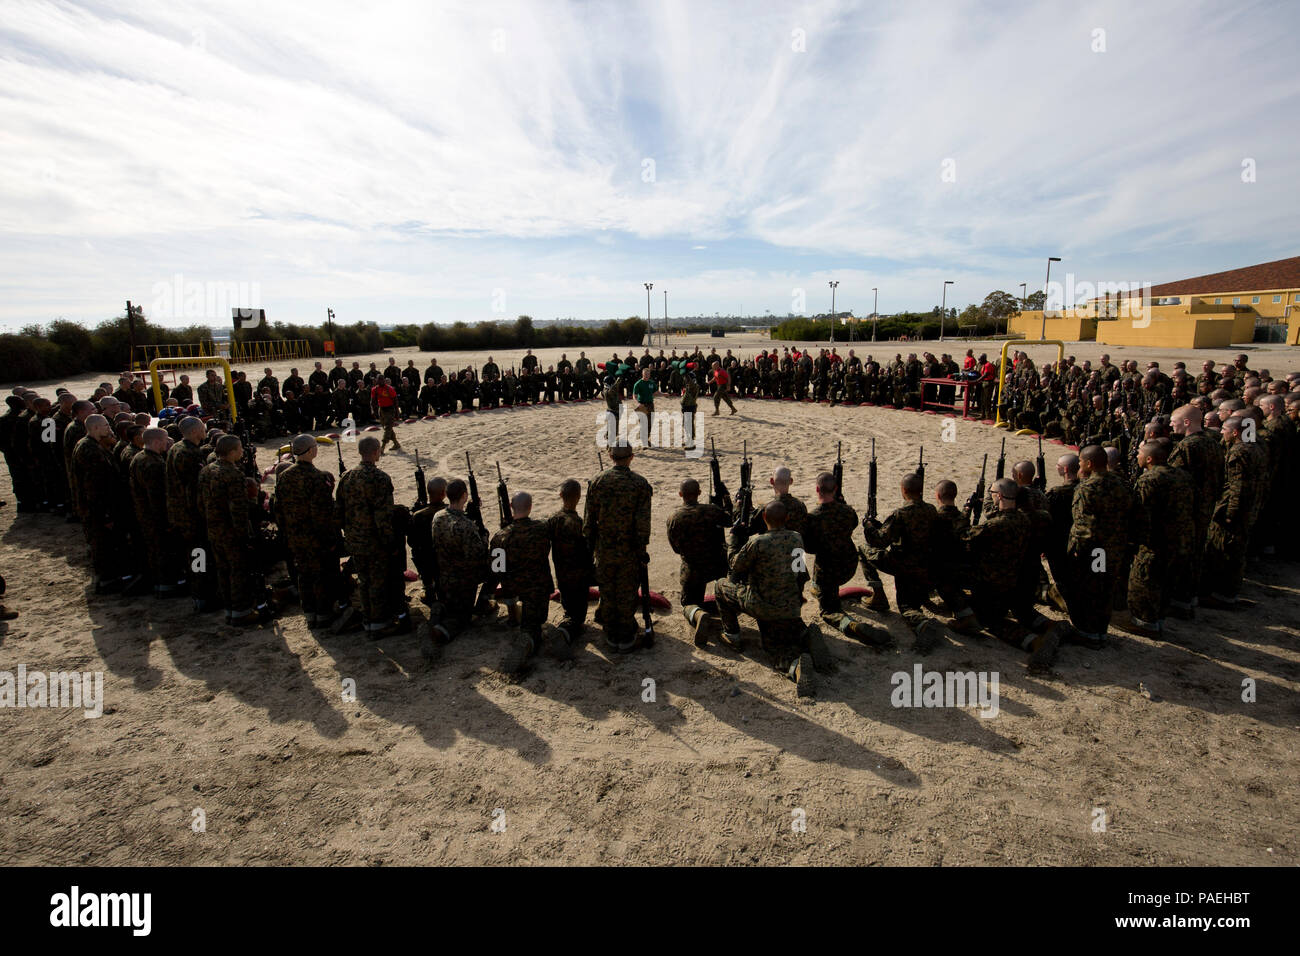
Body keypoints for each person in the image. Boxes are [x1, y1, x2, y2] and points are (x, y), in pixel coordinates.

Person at [716, 500, 818, 697]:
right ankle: (803, 634)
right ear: (787, 518)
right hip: (790, 605)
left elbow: (734, 566)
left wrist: (735, 539)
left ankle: (733, 635)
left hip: (763, 606)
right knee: (784, 629)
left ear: (764, 518)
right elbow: (799, 572)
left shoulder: (757, 543)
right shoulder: (797, 538)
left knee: (720, 586)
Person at [803, 470, 890, 645]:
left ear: (817, 490)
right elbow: (853, 523)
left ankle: (851, 626)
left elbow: (810, 548)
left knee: (828, 611)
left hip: (828, 573)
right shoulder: (848, 511)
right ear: (835, 489)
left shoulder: (812, 517)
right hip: (848, 566)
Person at [584, 441, 653, 652]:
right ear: (631, 457)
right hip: (630, 549)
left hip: (604, 548)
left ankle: (610, 629)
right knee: (626, 591)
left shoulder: (597, 482)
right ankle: (625, 633)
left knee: (607, 588)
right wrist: (641, 550)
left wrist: (590, 550)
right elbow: (643, 524)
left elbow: (589, 523)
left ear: (611, 457)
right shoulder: (640, 484)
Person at [1066, 445, 1135, 646]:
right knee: (1106, 589)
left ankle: (1089, 633)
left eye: (1080, 461)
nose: (1079, 465)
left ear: (1088, 464)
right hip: (1114, 548)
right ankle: (1100, 631)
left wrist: (1077, 551)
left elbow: (1083, 525)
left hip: (1095, 550)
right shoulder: (1121, 483)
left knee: (1090, 590)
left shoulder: (1088, 488)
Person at [199, 434, 269, 626]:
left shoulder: (207, 471)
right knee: (238, 571)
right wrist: (244, 534)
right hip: (230, 531)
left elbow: (202, 501)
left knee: (223, 570)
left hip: (214, 528)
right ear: (231, 452)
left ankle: (230, 609)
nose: (242, 452)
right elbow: (238, 509)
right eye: (239, 449)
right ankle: (241, 612)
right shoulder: (232, 474)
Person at [276, 434, 345, 627]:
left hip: (295, 537)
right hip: (316, 538)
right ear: (311, 451)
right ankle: (323, 613)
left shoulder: (284, 476)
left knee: (304, 575)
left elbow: (278, 510)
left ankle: (309, 613)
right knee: (322, 575)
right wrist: (330, 539)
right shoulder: (317, 477)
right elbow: (322, 514)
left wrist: (288, 533)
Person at [335, 436, 400, 636]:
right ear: (375, 452)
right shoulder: (379, 478)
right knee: (377, 582)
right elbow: (383, 516)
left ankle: (368, 620)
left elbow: (339, 509)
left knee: (364, 581)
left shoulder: (347, 476)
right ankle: (379, 623)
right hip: (374, 541)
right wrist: (390, 542)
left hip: (355, 539)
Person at [1201, 417, 1268, 609]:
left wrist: (1230, 513)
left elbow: (1237, 487)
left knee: (1225, 552)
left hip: (1236, 511)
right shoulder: (1257, 447)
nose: (1222, 433)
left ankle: (1221, 595)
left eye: (1224, 429)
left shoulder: (1239, 452)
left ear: (1236, 432)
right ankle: (1229, 594)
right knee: (1237, 552)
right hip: (1251, 509)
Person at [423, 478, 490, 659]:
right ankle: (443, 629)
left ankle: (437, 612)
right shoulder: (466, 526)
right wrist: (483, 533)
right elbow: (479, 554)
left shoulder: (438, 517)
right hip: (464, 581)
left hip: (444, 577)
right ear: (464, 496)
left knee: (449, 606)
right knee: (462, 618)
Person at [493, 491, 554, 675]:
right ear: (531, 507)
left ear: (511, 508)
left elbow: (497, 569)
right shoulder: (542, 529)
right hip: (538, 587)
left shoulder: (500, 537)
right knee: (534, 624)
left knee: (523, 616)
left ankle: (516, 619)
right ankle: (531, 637)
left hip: (512, 586)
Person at [665, 477, 730, 646]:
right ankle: (727, 611)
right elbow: (731, 520)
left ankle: (698, 614)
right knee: (724, 591)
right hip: (718, 565)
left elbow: (676, 548)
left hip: (693, 568)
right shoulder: (713, 511)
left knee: (688, 603)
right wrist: (725, 498)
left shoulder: (674, 517)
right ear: (699, 493)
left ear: (680, 494)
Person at [546, 479, 592, 649]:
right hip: (579, 576)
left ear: (560, 496)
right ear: (579, 497)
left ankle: (567, 620)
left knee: (568, 604)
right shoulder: (580, 523)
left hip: (561, 574)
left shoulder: (552, 520)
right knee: (578, 616)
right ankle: (564, 632)